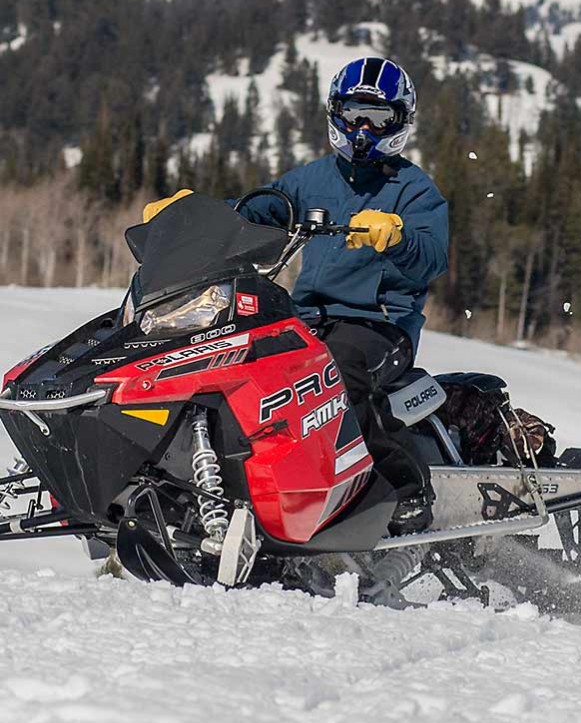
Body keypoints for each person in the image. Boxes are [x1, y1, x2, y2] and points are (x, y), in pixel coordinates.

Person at [143, 56, 448, 489]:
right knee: (238, 367)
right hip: (305, 319)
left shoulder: (414, 189)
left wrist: (397, 235)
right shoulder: (310, 179)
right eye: (352, 114)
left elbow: (433, 257)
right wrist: (191, 214)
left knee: (335, 377)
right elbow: (256, 212)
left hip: (379, 326)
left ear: (400, 122)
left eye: (378, 118)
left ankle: (403, 487)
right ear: (334, 113)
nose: (362, 129)